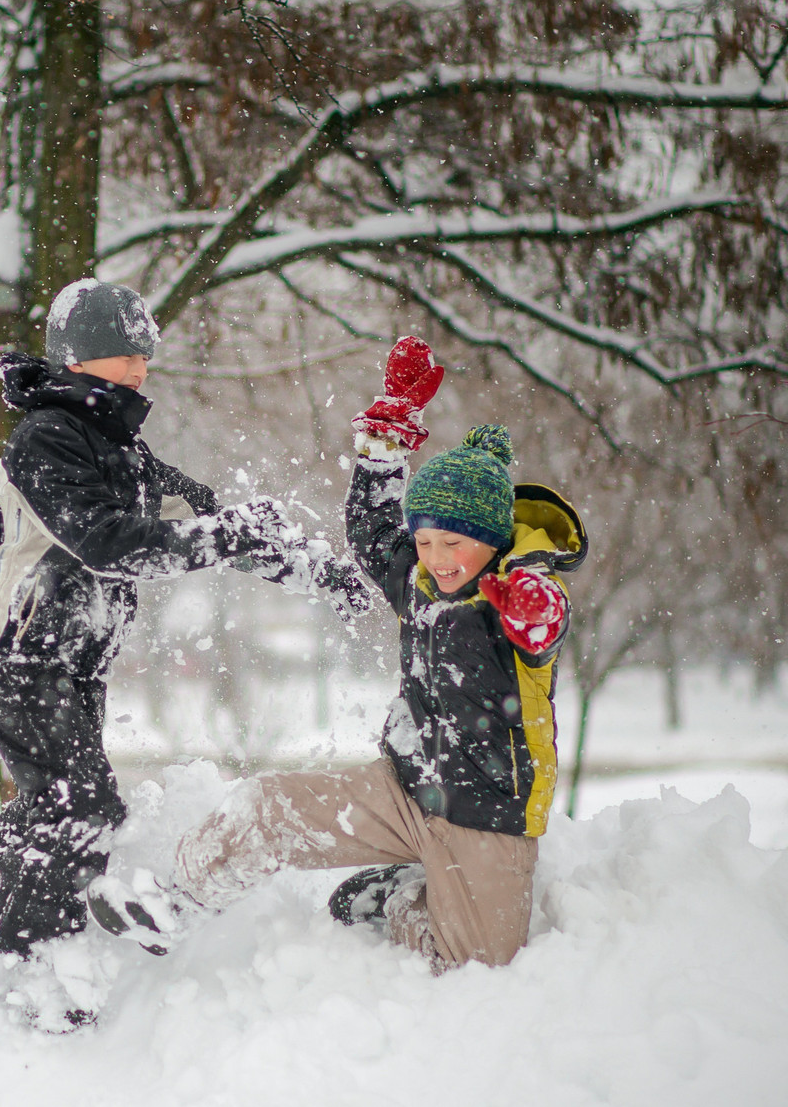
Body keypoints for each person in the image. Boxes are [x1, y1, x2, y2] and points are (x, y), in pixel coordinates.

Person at [87, 335, 588, 972]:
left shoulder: (518, 593)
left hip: (486, 817)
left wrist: (530, 606)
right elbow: (373, 529)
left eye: (454, 542)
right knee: (266, 810)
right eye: (427, 540)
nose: (437, 557)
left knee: (475, 970)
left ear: (492, 540)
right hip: (407, 789)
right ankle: (175, 902)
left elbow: (545, 625)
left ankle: (401, 897)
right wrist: (386, 438)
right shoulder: (421, 582)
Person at [0, 279, 373, 967]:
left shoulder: (121, 449)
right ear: (81, 357)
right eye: (126, 354)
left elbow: (204, 522)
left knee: (52, 804)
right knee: (85, 809)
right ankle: (32, 969)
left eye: (146, 354)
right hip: (17, 648)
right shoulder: (46, 440)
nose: (142, 369)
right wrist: (225, 535)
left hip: (69, 655)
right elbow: (110, 544)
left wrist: (310, 566)